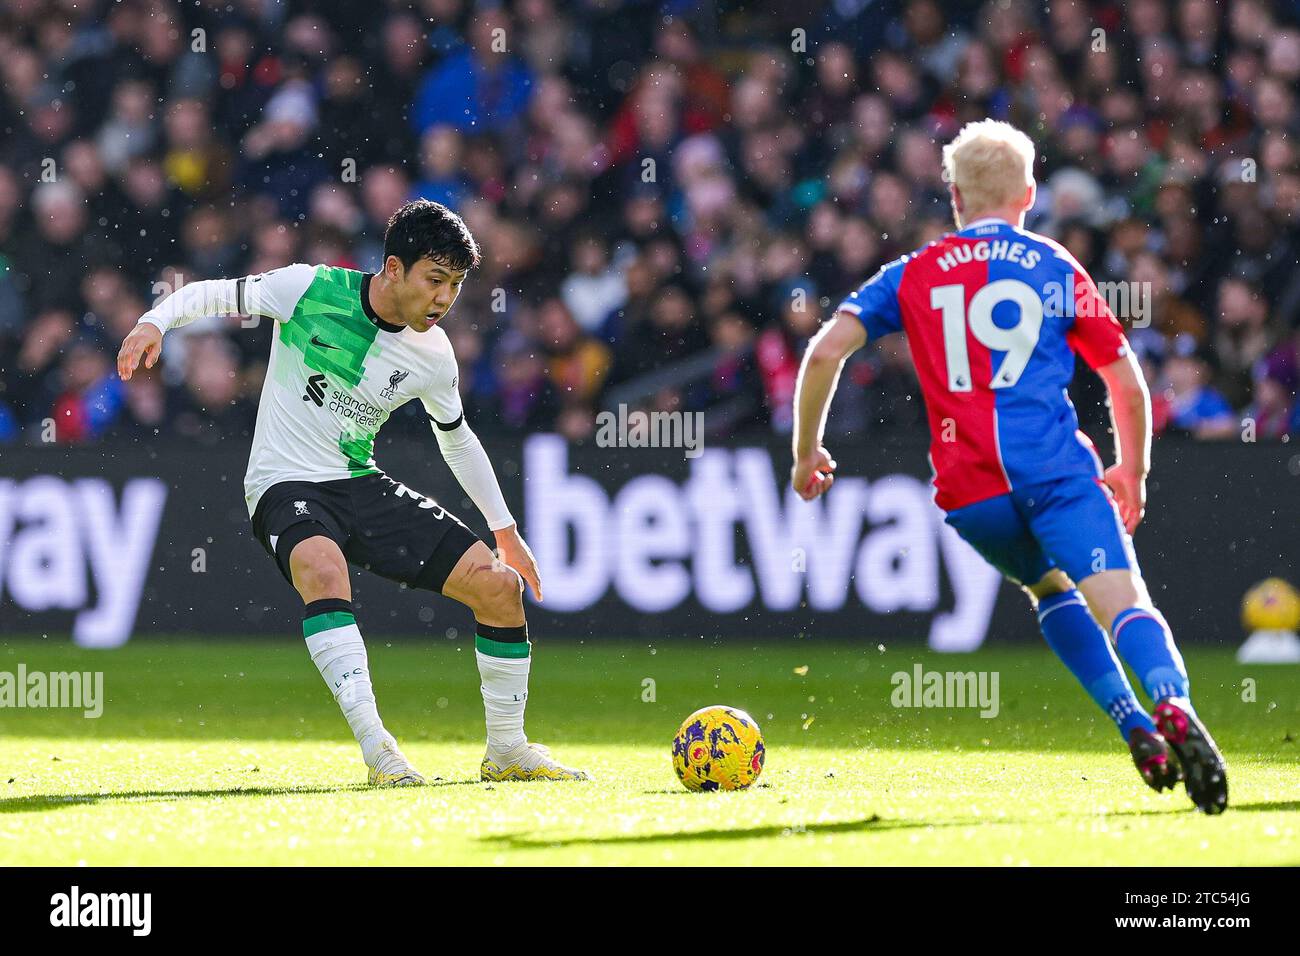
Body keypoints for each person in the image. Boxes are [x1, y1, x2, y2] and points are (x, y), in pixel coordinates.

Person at [791, 120, 1227, 813]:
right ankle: (1170, 702)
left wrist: (806, 450)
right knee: (1124, 606)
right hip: (1054, 475)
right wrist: (1132, 469)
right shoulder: (1053, 264)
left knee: (1051, 592)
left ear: (955, 197)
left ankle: (1131, 723)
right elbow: (1124, 376)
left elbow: (823, 353)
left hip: (972, 498)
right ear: (1029, 193)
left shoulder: (912, 272)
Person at [118, 199, 588, 786]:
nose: (444, 299)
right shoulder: (306, 288)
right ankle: (380, 751)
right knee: (322, 565)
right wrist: (154, 321)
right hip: (283, 482)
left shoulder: (434, 355)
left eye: (456, 285)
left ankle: (508, 749)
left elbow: (458, 441)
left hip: (356, 481)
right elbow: (212, 293)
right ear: (394, 268)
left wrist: (506, 533)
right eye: (435, 279)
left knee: (499, 588)